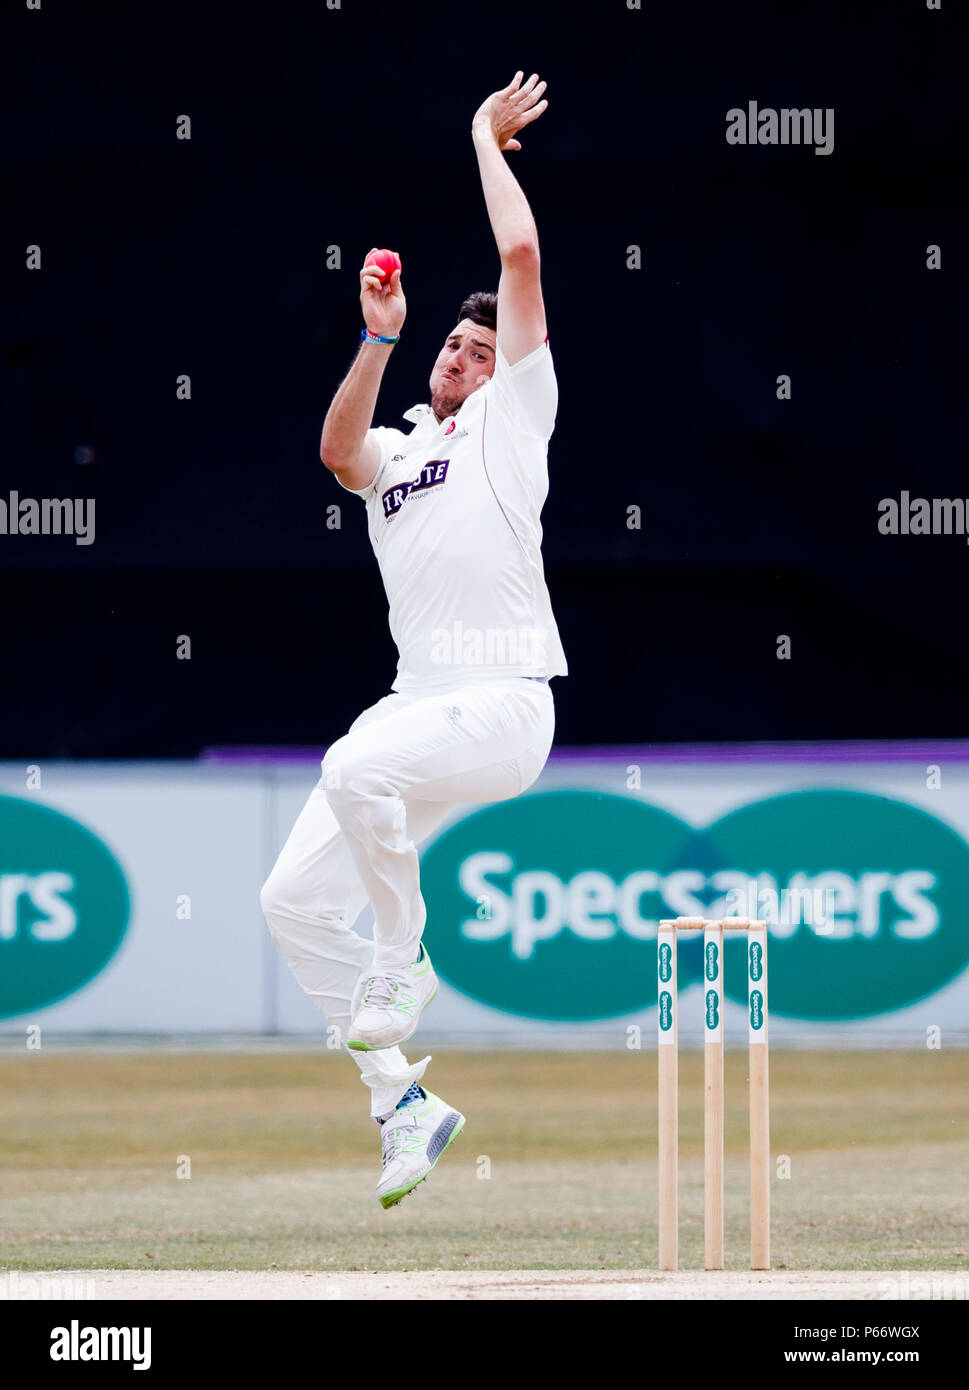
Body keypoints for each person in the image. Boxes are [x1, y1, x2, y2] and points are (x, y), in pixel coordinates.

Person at [261, 71, 567, 1209]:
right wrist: (376, 338)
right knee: (290, 902)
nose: (461, 356)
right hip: (421, 708)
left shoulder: (514, 418)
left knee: (354, 765)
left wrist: (480, 139)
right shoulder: (399, 442)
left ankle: (406, 955)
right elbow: (339, 454)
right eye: (452, 343)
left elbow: (521, 263)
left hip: (504, 703)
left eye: (478, 350)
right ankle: (402, 1101)